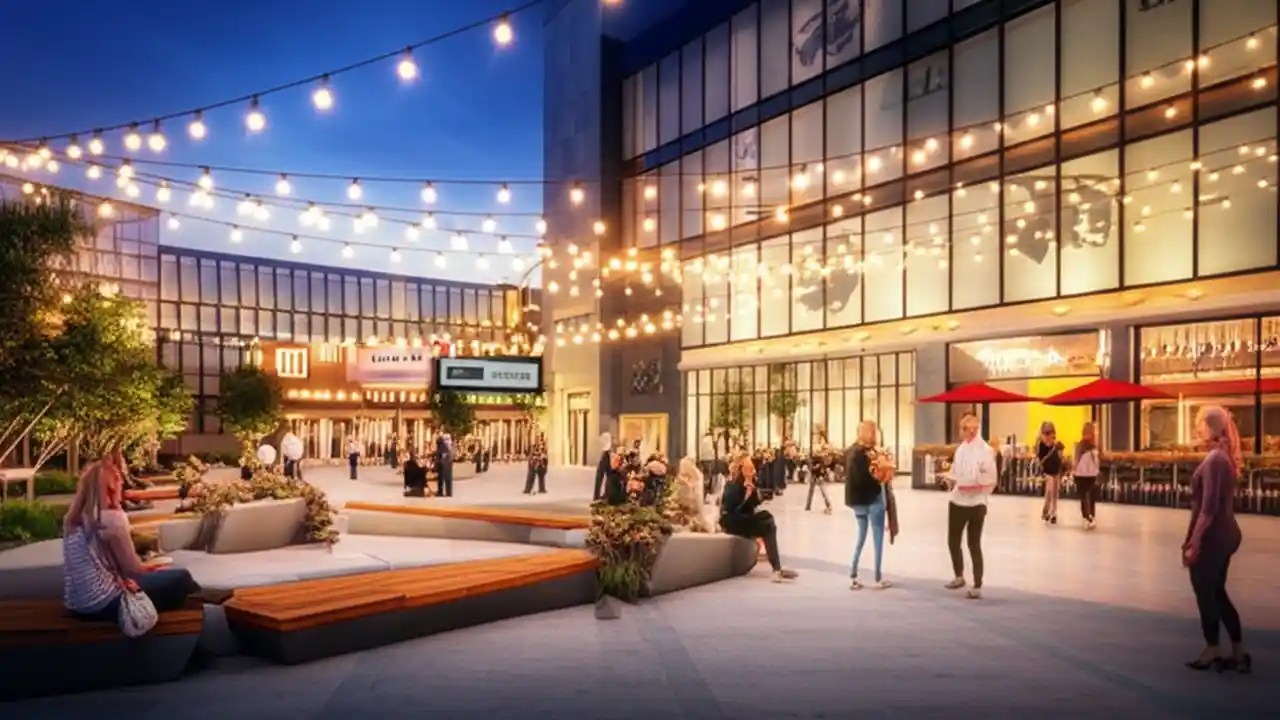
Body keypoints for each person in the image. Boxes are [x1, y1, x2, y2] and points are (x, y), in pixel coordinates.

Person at [63, 451, 201, 626]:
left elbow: (107, 564)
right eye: (119, 480)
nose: (123, 484)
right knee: (181, 576)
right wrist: (153, 566)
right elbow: (133, 570)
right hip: (106, 604)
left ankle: (205, 604)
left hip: (77, 605)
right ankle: (211, 613)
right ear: (112, 487)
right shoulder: (112, 519)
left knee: (173, 580)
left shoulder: (71, 523)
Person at [1183, 406, 1250, 673]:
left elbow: (1208, 508)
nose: (1197, 429)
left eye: (1200, 424)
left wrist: (1195, 541)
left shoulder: (1214, 461)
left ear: (1211, 428)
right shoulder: (1223, 458)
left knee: (1205, 591)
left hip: (1214, 535)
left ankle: (1213, 648)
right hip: (1226, 533)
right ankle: (1237, 649)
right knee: (1217, 591)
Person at [941, 412, 997, 599]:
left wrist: (974, 481)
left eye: (963, 428)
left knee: (974, 543)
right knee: (953, 540)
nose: (960, 432)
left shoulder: (985, 451)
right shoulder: (961, 449)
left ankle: (978, 584)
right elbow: (956, 472)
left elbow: (991, 478)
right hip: (957, 500)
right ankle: (959, 575)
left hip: (977, 502)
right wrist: (950, 479)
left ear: (973, 430)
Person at [720, 453, 798, 583]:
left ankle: (777, 568)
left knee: (768, 521)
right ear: (741, 469)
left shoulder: (750, 483)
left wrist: (754, 493)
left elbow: (754, 505)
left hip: (744, 519)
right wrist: (746, 495)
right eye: (749, 469)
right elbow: (730, 507)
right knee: (767, 521)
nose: (753, 471)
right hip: (732, 521)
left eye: (752, 469)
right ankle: (776, 568)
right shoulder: (732, 484)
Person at [845, 421, 891, 590]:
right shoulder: (866, 455)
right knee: (877, 539)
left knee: (860, 537)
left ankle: (853, 573)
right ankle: (878, 577)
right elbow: (874, 477)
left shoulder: (850, 451)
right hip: (872, 500)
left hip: (856, 502)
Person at [1073, 422, 1101, 529]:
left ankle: (1089, 516)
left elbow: (1096, 460)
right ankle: (1087, 517)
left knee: (1089, 496)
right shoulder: (1084, 446)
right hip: (1083, 474)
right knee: (1085, 496)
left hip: (1088, 474)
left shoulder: (1091, 446)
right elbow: (1077, 459)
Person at [1036, 421, 1065, 525]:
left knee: (1055, 492)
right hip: (1047, 471)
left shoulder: (1058, 445)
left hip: (1056, 471)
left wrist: (1059, 451)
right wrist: (1052, 450)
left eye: (1050, 433)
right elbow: (1041, 460)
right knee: (1050, 490)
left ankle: (1053, 513)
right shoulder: (1041, 446)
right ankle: (1046, 511)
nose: (1048, 436)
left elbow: (1060, 459)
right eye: (1045, 433)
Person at [593, 433, 613, 501]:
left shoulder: (605, 455)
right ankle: (602, 494)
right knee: (608, 475)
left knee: (606, 475)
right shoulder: (606, 454)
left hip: (606, 453)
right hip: (607, 452)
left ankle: (603, 494)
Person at [435, 432, 455, 498]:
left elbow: (443, 455)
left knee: (441, 479)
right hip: (449, 463)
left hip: (443, 465)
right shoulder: (450, 445)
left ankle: (440, 492)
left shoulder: (442, 446)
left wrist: (439, 462)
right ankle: (449, 492)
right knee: (448, 479)